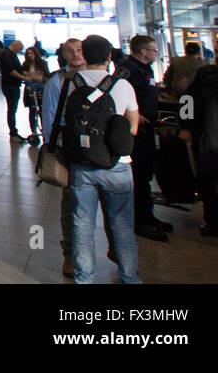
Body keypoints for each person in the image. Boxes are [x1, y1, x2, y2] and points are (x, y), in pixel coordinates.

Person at [59, 35, 140, 284]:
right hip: (117, 164)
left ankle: (84, 278)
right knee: (122, 225)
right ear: (108, 57)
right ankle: (129, 277)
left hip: (82, 164)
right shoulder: (123, 86)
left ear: (85, 55)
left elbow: (65, 122)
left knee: (82, 224)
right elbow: (133, 128)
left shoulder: (70, 84)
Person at [181, 37, 218, 281]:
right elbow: (188, 100)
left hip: (216, 148)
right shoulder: (205, 77)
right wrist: (186, 126)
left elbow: (187, 99)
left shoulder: (206, 78)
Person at [124, 34, 170, 242]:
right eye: (153, 50)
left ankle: (148, 215)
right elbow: (118, 94)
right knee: (139, 177)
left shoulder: (145, 69)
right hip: (137, 132)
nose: (155, 53)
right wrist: (132, 114)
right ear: (143, 51)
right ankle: (139, 221)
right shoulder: (128, 69)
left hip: (147, 129)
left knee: (146, 176)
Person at [0, 40, 27, 142]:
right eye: (19, 50)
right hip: (10, 86)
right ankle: (13, 133)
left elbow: (17, 68)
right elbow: (11, 71)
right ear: (16, 46)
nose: (19, 52)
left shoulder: (11, 54)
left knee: (12, 110)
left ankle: (14, 132)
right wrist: (23, 78)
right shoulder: (6, 55)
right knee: (11, 110)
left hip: (13, 85)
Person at [20, 47, 49, 143]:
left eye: (31, 53)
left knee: (42, 111)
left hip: (41, 89)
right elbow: (24, 76)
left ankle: (45, 131)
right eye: (28, 54)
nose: (30, 55)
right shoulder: (25, 65)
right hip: (30, 89)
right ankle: (33, 131)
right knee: (32, 110)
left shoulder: (43, 64)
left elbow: (46, 77)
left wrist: (35, 77)